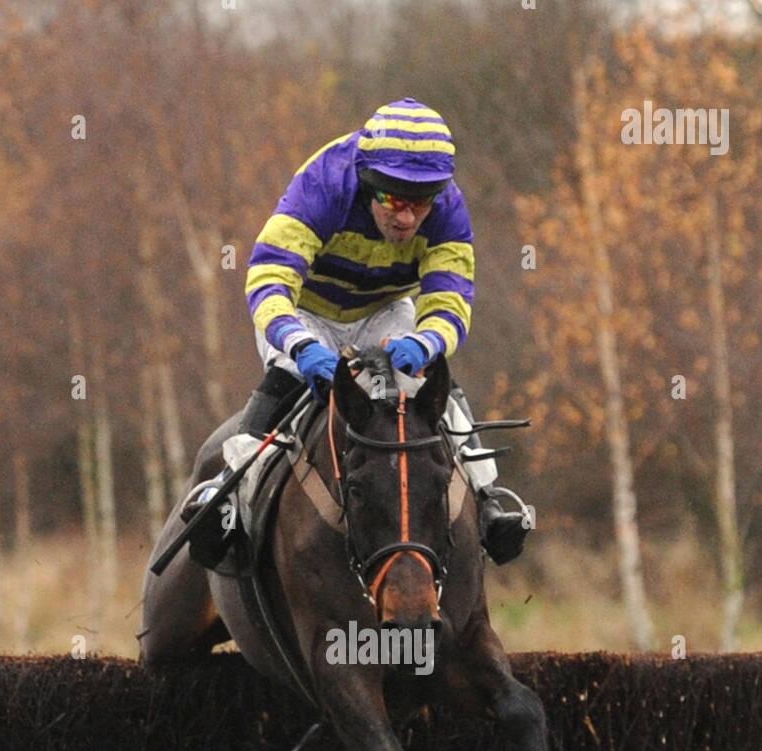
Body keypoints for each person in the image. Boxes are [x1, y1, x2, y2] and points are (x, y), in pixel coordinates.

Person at [182, 97, 527, 564]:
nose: (406, 218)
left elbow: (450, 299)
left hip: (382, 311)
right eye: (393, 201)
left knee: (430, 379)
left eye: (420, 204)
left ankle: (488, 499)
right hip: (304, 309)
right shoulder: (324, 183)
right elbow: (269, 278)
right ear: (367, 182)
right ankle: (226, 496)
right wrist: (301, 345)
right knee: (287, 375)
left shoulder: (449, 207)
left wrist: (425, 342)